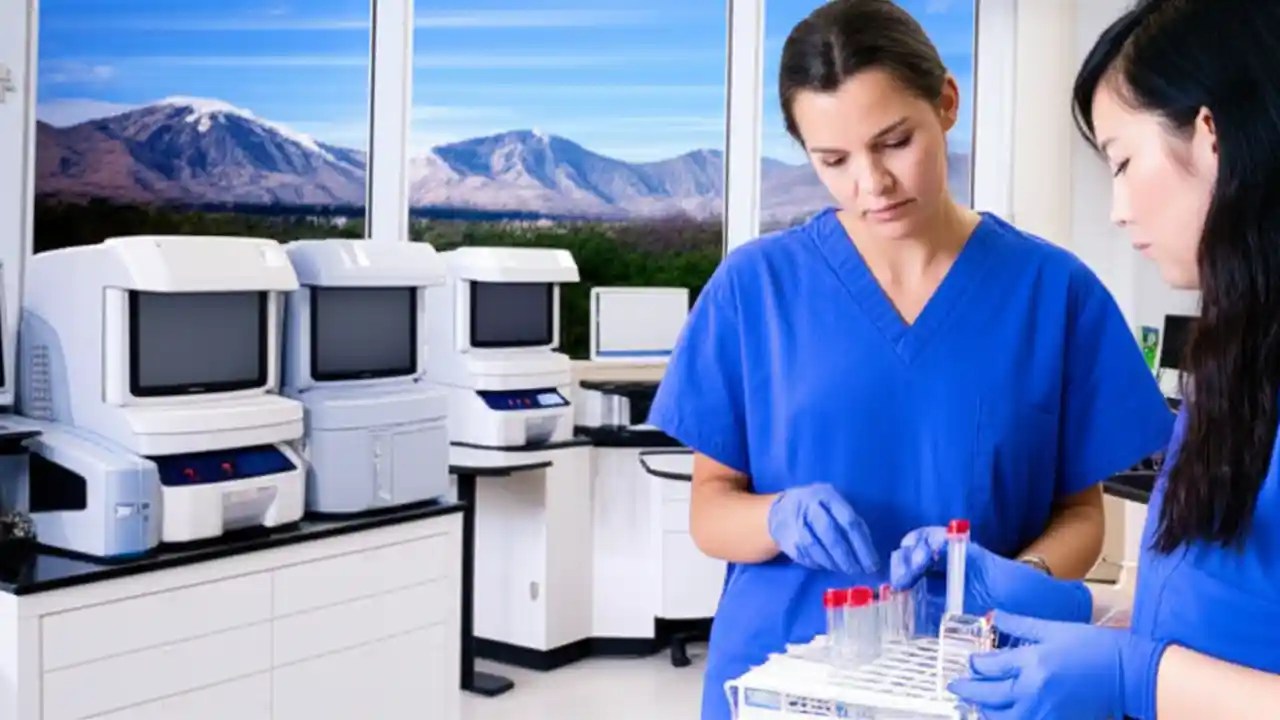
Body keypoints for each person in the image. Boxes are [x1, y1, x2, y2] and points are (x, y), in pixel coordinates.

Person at [644, 2, 1175, 718]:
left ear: (946, 104)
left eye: (894, 142)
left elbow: (1082, 514)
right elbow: (711, 512)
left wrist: (1017, 577)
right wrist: (775, 518)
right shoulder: (755, 289)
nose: (872, 184)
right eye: (832, 161)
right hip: (785, 680)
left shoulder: (1053, 293)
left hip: (975, 677)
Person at [892, 1, 1280, 718]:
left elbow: (1161, 666)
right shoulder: (1238, 364)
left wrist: (1139, 679)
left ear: (1211, 134)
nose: (1118, 209)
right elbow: (1206, 618)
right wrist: (1061, 603)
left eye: (1124, 161)